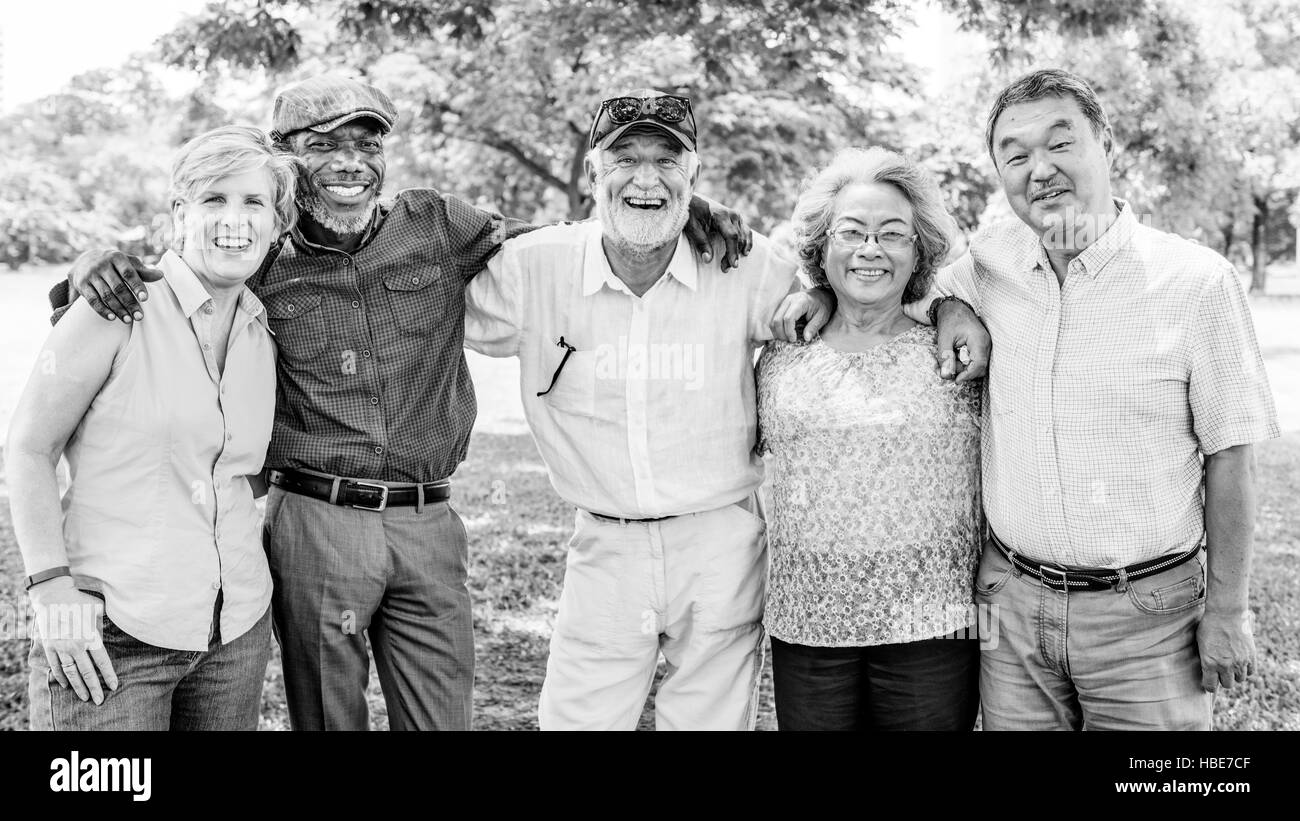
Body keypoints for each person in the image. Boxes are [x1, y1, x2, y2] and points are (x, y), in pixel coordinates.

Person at [49, 75, 753, 731]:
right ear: (283, 158)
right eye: (322, 146)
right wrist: (87, 265)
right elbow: (168, 265)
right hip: (316, 520)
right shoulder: (260, 252)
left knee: (441, 712)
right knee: (329, 714)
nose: (349, 161)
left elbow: (571, 247)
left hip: (429, 523)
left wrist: (684, 207)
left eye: (366, 143)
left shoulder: (440, 227)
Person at [464, 89, 990, 730]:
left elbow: (862, 281)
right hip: (603, 542)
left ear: (694, 173)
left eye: (668, 160)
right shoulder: (531, 269)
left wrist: (946, 304)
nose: (646, 177)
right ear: (591, 172)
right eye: (625, 158)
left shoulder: (744, 266)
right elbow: (426, 285)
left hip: (719, 541)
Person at [789, 68, 1280, 730]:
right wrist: (852, 296)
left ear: (1107, 145)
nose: (1038, 169)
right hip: (1012, 613)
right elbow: (886, 281)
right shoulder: (989, 265)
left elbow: (1232, 459)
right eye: (1014, 155)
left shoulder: (1196, 283)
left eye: (1060, 142)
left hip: (1147, 616)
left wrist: (1228, 609)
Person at [8, 125, 295, 730]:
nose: (234, 220)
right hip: (110, 633)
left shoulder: (263, 328)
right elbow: (30, 448)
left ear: (276, 223)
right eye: (214, 200)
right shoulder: (116, 308)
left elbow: (240, 472)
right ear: (178, 212)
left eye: (254, 202)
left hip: (234, 630)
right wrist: (52, 593)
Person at [755, 146, 982, 731]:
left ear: (919, 252)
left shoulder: (953, 351)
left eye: (892, 234)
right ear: (822, 249)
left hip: (932, 622)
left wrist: (949, 304)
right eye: (851, 232)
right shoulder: (782, 353)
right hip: (808, 622)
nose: (870, 249)